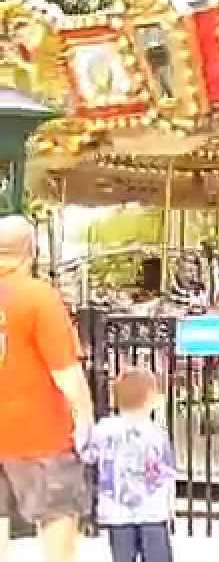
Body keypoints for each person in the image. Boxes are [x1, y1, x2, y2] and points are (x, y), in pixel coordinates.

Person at [0, 215, 93, 562]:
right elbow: (65, 372)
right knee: (57, 516)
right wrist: (85, 416)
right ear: (31, 251)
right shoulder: (40, 298)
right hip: (40, 435)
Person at [81, 367, 177, 562]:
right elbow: (166, 473)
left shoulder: (104, 429)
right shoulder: (157, 433)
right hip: (152, 512)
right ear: (151, 398)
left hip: (116, 512)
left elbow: (88, 455)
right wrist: (170, 506)